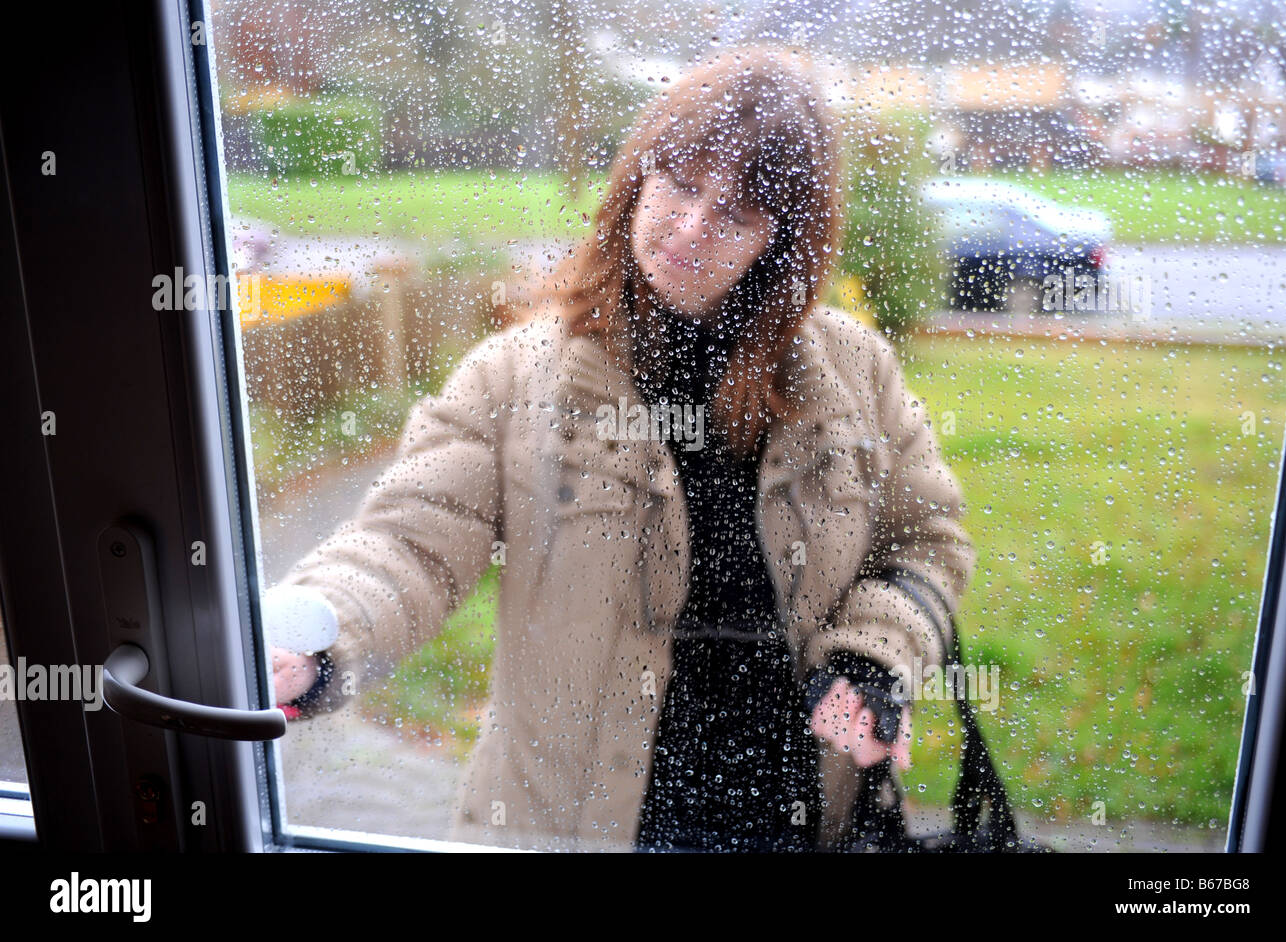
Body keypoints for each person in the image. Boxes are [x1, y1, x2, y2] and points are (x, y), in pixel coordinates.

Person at [266, 43, 975, 852]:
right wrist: (316, 637)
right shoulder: (515, 376)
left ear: (776, 244)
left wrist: (875, 655)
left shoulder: (854, 374)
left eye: (737, 213)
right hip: (580, 827)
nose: (691, 225)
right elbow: (409, 542)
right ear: (639, 174)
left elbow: (926, 539)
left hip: (802, 818)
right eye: (679, 182)